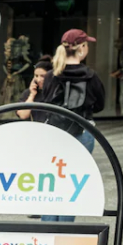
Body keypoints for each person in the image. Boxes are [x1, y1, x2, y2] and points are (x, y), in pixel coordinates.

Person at [35, 30, 106, 223]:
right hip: (82, 133)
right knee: (71, 184)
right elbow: (100, 105)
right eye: (87, 45)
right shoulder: (91, 76)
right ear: (81, 48)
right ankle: (66, 232)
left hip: (54, 134)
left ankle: (47, 232)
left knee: (52, 182)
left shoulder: (51, 75)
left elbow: (46, 102)